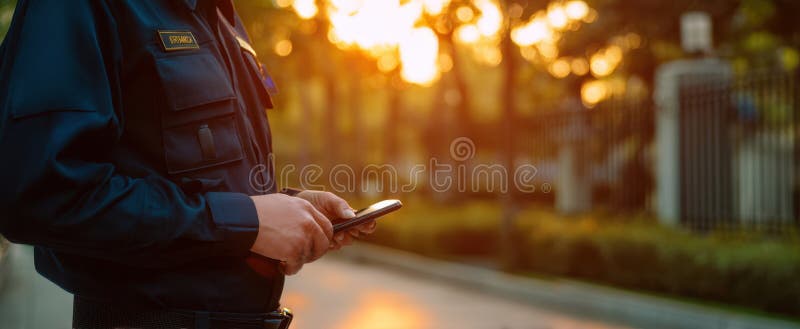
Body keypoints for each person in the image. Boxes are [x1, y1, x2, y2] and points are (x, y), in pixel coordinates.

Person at [0, 1, 375, 328]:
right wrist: (243, 222)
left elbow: (193, 177)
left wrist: (288, 210)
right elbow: (38, 193)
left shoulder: (221, 14)